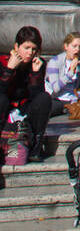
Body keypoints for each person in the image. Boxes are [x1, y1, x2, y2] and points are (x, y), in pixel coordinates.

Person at [0, 26, 52, 162]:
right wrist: (9, 70)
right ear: (16, 46)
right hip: (4, 110)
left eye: (34, 49)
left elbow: (37, 97)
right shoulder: (3, 62)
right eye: (26, 48)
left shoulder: (38, 64)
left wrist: (35, 74)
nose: (30, 53)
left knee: (45, 98)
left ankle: (36, 145)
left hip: (24, 111)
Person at [45, 33, 80, 118]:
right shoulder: (55, 62)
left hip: (72, 100)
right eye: (74, 46)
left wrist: (75, 100)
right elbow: (55, 88)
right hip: (56, 99)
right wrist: (71, 71)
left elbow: (79, 87)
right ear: (66, 46)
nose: (77, 50)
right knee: (48, 108)